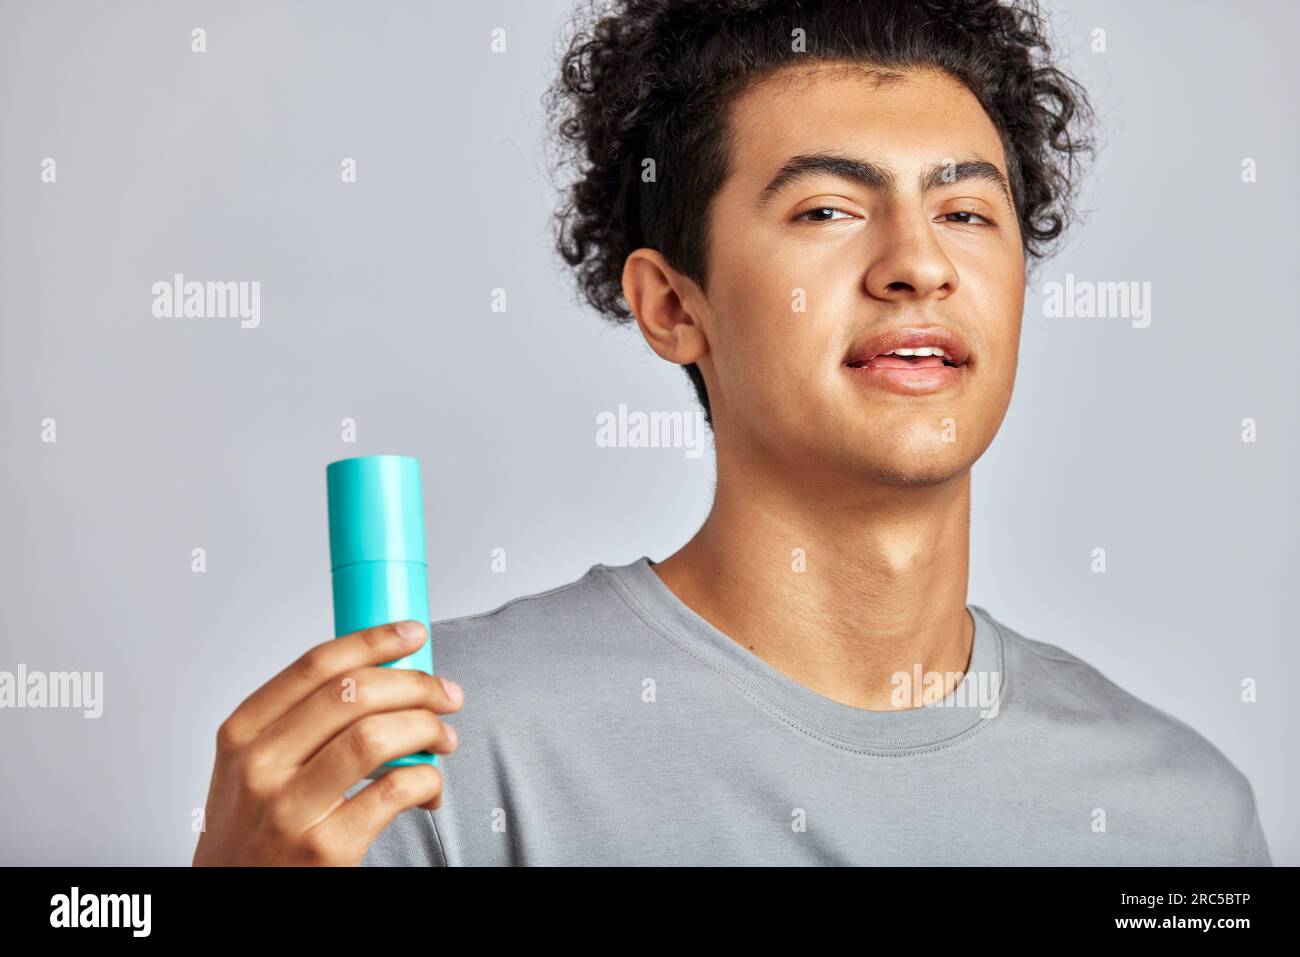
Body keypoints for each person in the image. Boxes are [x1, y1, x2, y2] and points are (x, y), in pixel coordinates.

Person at [192, 0, 1271, 866]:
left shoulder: (1180, 820)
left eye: (965, 213)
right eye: (826, 210)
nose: (918, 263)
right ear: (673, 307)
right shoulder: (430, 767)